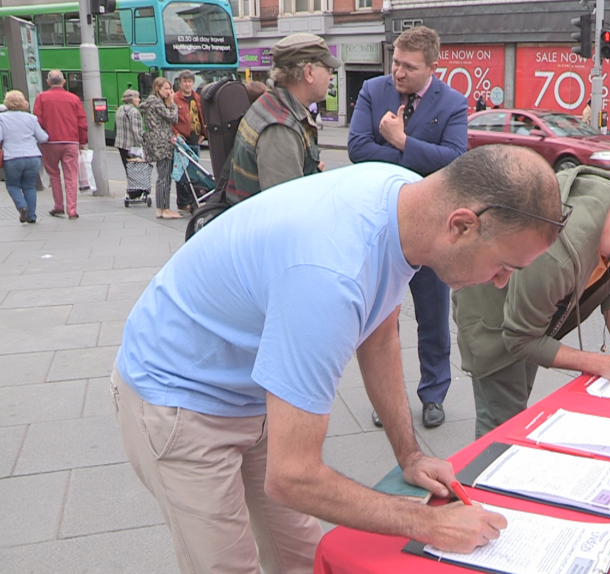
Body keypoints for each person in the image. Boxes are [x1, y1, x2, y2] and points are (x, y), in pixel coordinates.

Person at [112, 144, 563, 574]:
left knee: (306, 556)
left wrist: (409, 454)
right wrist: (429, 523)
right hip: (179, 396)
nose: (501, 283)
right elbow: (292, 476)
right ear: (461, 225)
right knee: (228, 565)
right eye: (505, 266)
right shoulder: (329, 278)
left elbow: (381, 335)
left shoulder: (408, 198)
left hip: (249, 384)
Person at [454, 167, 610, 438]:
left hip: (533, 317)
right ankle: (479, 474)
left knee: (519, 404)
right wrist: (601, 363)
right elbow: (520, 339)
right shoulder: (555, 258)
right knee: (502, 424)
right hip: (494, 322)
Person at [348, 26, 468, 429]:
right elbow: (356, 148)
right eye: (395, 62)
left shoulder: (452, 103)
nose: (398, 72)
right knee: (384, 319)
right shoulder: (372, 90)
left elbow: (454, 160)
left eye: (409, 67)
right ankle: (389, 398)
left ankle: (433, 394)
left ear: (432, 68)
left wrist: (399, 142)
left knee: (432, 317)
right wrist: (415, 158)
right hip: (382, 225)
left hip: (432, 230)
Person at [223, 33, 338, 204]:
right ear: (309, 72)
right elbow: (288, 209)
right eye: (328, 69)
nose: (331, 76)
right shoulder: (280, 127)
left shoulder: (273, 104)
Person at [33, 69, 87, 219]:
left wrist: (42, 137)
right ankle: (72, 210)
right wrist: (82, 141)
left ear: (48, 82)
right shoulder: (74, 98)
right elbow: (82, 122)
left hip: (49, 142)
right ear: (63, 82)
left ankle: (58, 205)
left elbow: (38, 120)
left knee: (54, 174)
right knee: (71, 175)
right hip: (71, 141)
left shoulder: (41, 98)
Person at [0, 90, 48, 224]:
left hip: (12, 157)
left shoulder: (2, 118)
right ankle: (32, 216)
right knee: (29, 186)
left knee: (13, 185)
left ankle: (22, 206)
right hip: (33, 157)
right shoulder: (31, 118)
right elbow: (43, 138)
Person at [140, 77, 181, 220]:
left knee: (162, 176)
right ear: (158, 89)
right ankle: (165, 209)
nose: (169, 92)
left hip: (155, 142)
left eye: (170, 89)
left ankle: (161, 208)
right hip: (162, 143)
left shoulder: (151, 102)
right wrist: (172, 104)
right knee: (165, 177)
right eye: (166, 89)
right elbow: (173, 117)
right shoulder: (158, 103)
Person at [172, 70, 206, 213]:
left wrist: (203, 134)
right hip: (182, 140)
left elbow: (201, 115)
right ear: (180, 83)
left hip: (195, 138)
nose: (187, 84)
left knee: (194, 172)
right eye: (185, 81)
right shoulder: (174, 98)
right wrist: (176, 134)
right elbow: (171, 119)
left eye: (189, 81)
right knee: (182, 172)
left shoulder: (197, 97)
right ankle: (183, 202)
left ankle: (193, 199)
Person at [114, 89, 143, 173]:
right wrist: (140, 146)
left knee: (128, 170)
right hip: (132, 146)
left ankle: (131, 185)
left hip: (121, 144)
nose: (139, 100)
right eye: (137, 98)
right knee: (137, 173)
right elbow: (136, 132)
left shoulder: (120, 109)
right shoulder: (134, 112)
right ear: (132, 99)